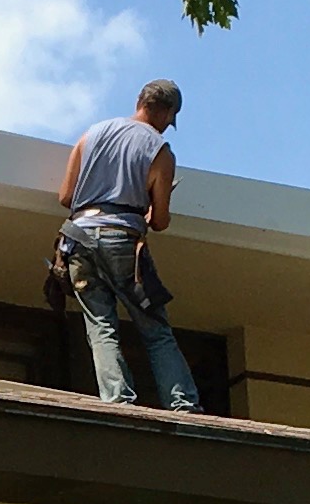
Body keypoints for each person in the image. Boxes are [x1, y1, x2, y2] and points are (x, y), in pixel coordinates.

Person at [54, 79, 200, 410]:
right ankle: (183, 405)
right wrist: (149, 204)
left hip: (77, 238)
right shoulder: (159, 149)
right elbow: (160, 221)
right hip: (122, 241)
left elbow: (66, 197)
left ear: (140, 101)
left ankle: (119, 401)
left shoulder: (92, 134)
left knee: (101, 326)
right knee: (155, 329)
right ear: (166, 112)